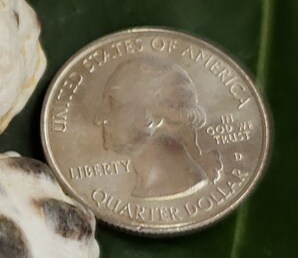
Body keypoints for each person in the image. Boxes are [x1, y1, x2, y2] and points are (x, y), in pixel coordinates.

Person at [94, 56, 222, 199]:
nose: (99, 120)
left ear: (150, 114)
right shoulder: (147, 185)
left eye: (112, 106)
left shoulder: (169, 185)